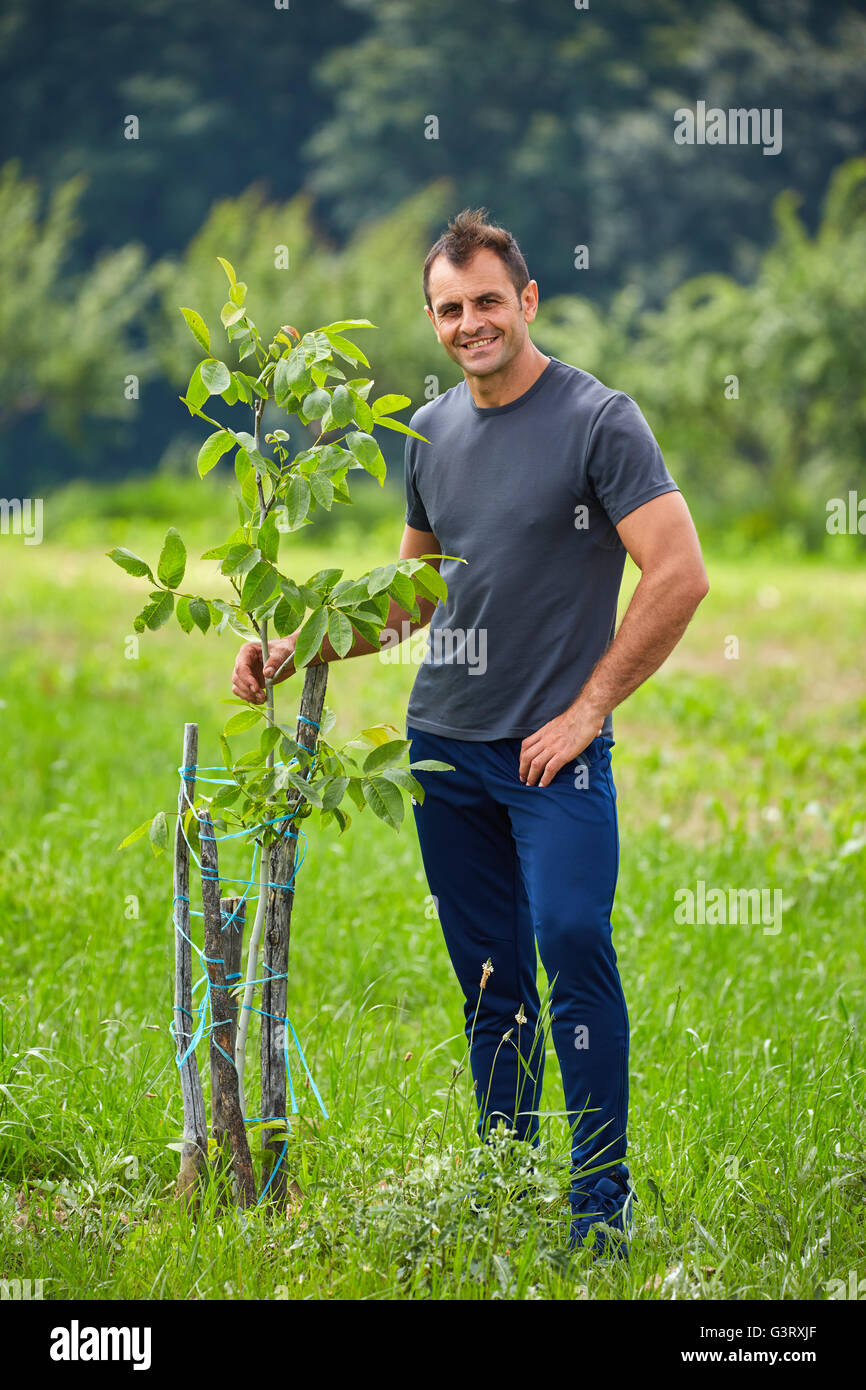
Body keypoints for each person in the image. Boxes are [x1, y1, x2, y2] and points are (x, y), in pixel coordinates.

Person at [232, 208, 709, 1258]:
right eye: (447, 309)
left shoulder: (598, 420)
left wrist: (587, 710)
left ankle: (599, 1209)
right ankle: (501, 1188)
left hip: (554, 757)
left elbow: (678, 574)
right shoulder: (433, 431)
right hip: (444, 749)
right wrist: (296, 645)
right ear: (431, 318)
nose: (468, 323)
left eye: (486, 301)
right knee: (488, 982)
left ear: (526, 300)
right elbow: (410, 598)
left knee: (573, 941)